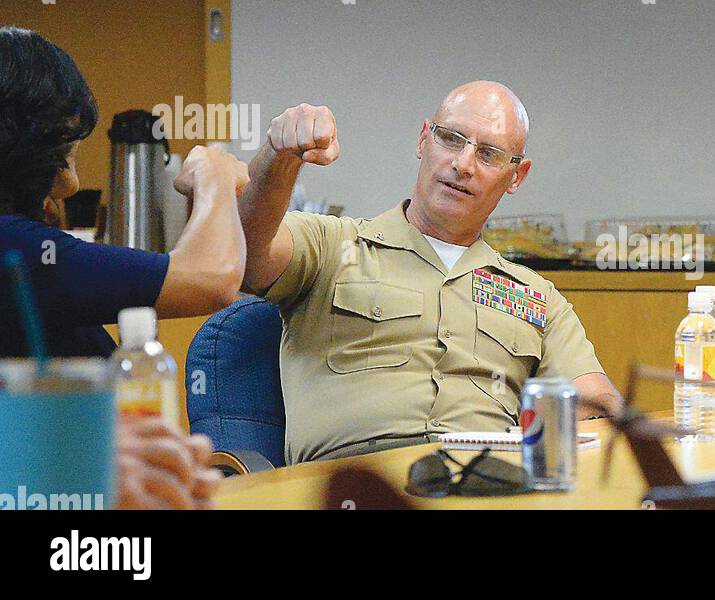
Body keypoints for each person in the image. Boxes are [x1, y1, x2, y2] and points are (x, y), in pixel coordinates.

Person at [238, 82, 624, 464]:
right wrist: (278, 156)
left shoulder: (535, 296)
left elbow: (598, 405)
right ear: (424, 140)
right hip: (354, 484)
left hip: (489, 483)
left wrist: (550, 437)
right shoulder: (332, 245)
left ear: (516, 176)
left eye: (488, 154)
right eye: (452, 139)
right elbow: (242, 254)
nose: (463, 164)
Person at [0, 27, 242, 508]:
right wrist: (215, 174)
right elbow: (211, 279)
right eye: (65, 152)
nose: (70, 180)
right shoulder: (15, 247)